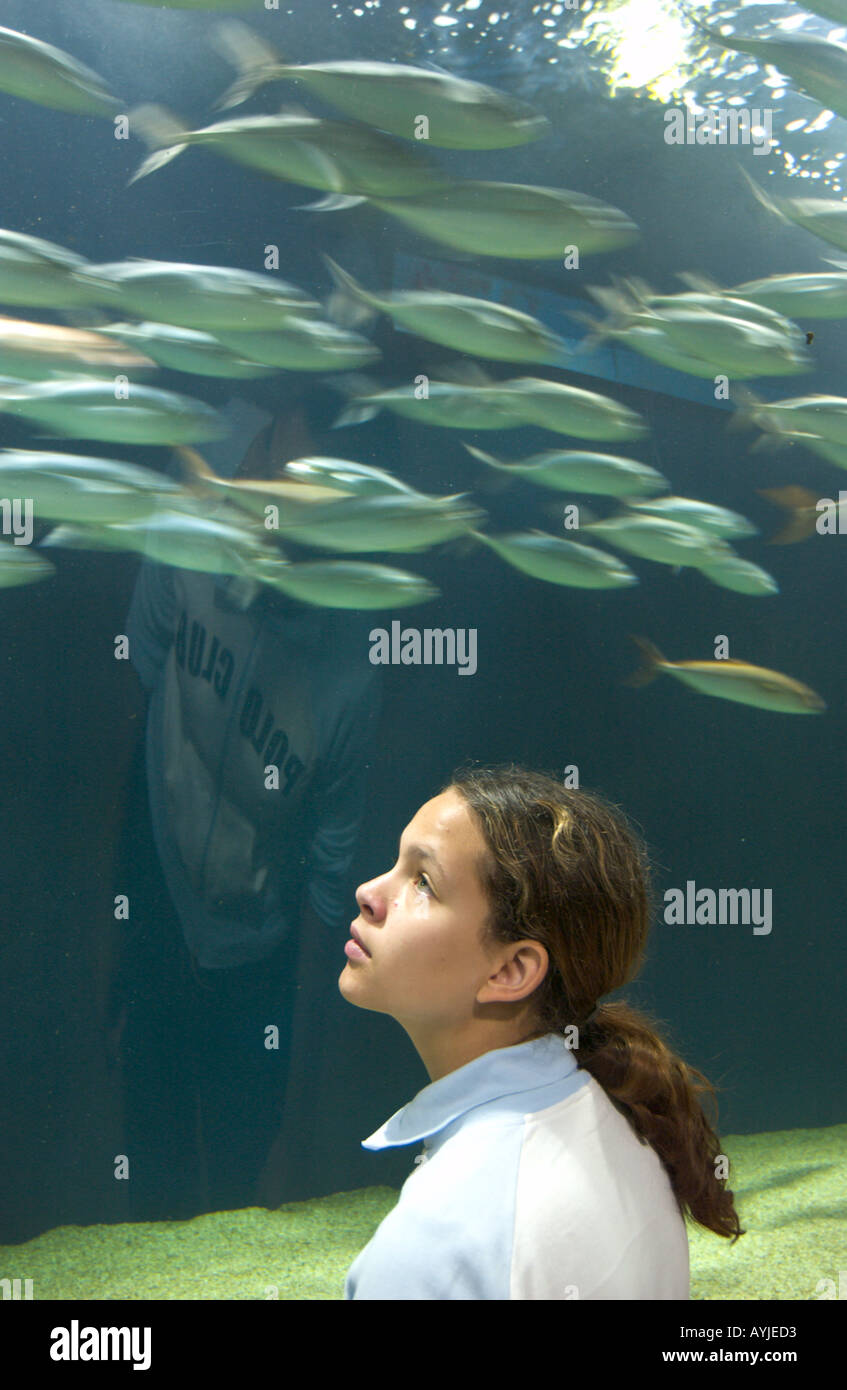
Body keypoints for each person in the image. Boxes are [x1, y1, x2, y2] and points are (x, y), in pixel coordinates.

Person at [108, 382, 382, 1218]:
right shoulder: (184, 535)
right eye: (269, 466)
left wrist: (296, 1108)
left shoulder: (348, 672)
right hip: (154, 885)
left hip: (255, 946)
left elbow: (331, 884)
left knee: (236, 1174)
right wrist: (113, 926)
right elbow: (140, 691)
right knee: (146, 1153)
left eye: (301, 489)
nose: (271, 501)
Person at [340, 766, 744, 1300]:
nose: (368, 892)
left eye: (423, 883)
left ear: (510, 971)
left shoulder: (430, 1249)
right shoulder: (625, 1125)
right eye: (397, 863)